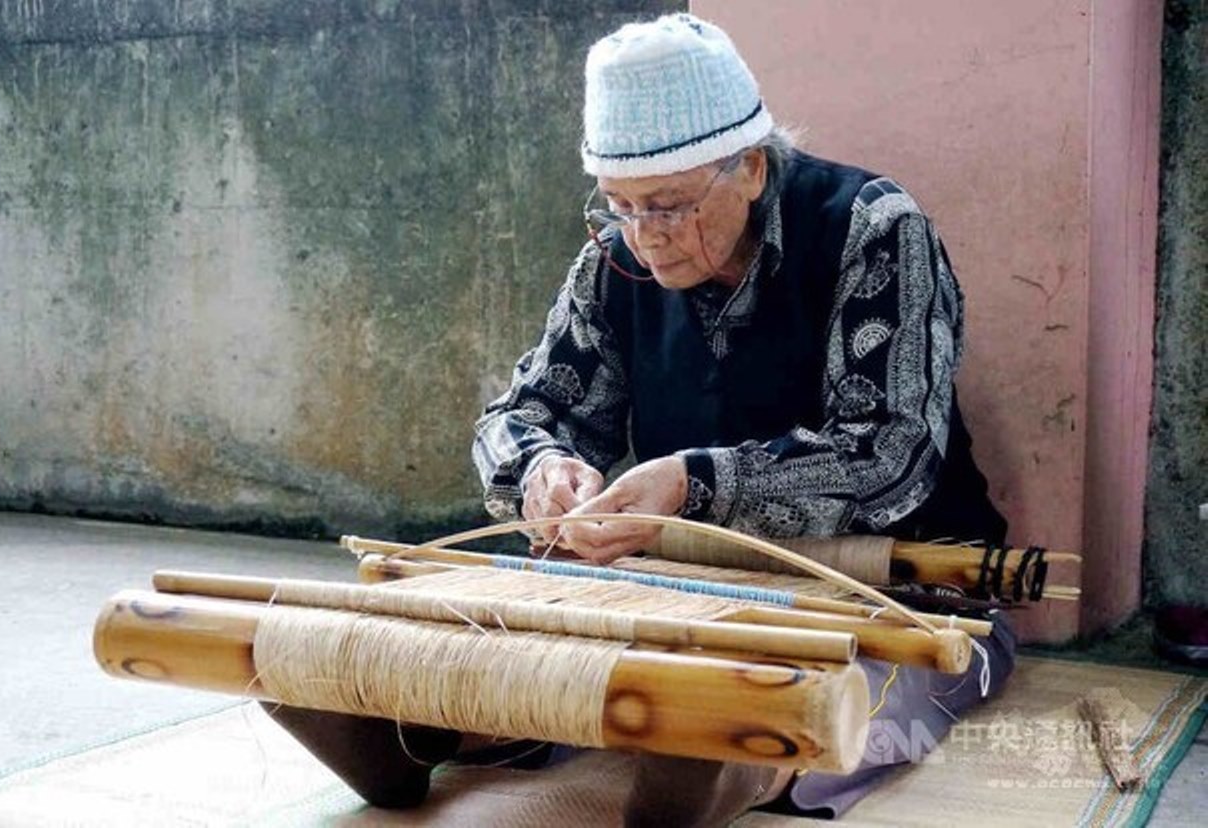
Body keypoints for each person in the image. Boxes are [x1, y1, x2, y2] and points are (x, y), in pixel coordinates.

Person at [266, 13, 1016, 826]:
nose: (646, 238)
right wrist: (543, 471)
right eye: (620, 205)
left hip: (892, 589)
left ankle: (731, 761)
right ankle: (416, 730)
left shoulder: (873, 229)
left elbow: (890, 457)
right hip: (680, 585)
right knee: (536, 649)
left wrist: (692, 483)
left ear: (751, 167)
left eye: (667, 206)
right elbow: (522, 414)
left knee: (840, 688)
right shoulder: (617, 257)